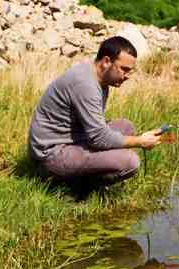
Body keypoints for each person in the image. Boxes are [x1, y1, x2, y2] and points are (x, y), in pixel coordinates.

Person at [27, 36, 161, 190]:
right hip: (51, 154)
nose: (127, 76)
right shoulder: (86, 84)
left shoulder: (99, 79)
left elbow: (96, 132)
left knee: (126, 126)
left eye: (130, 71)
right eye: (124, 69)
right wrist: (140, 141)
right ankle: (75, 187)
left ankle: (80, 176)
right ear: (106, 62)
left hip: (74, 140)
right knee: (130, 162)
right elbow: (98, 138)